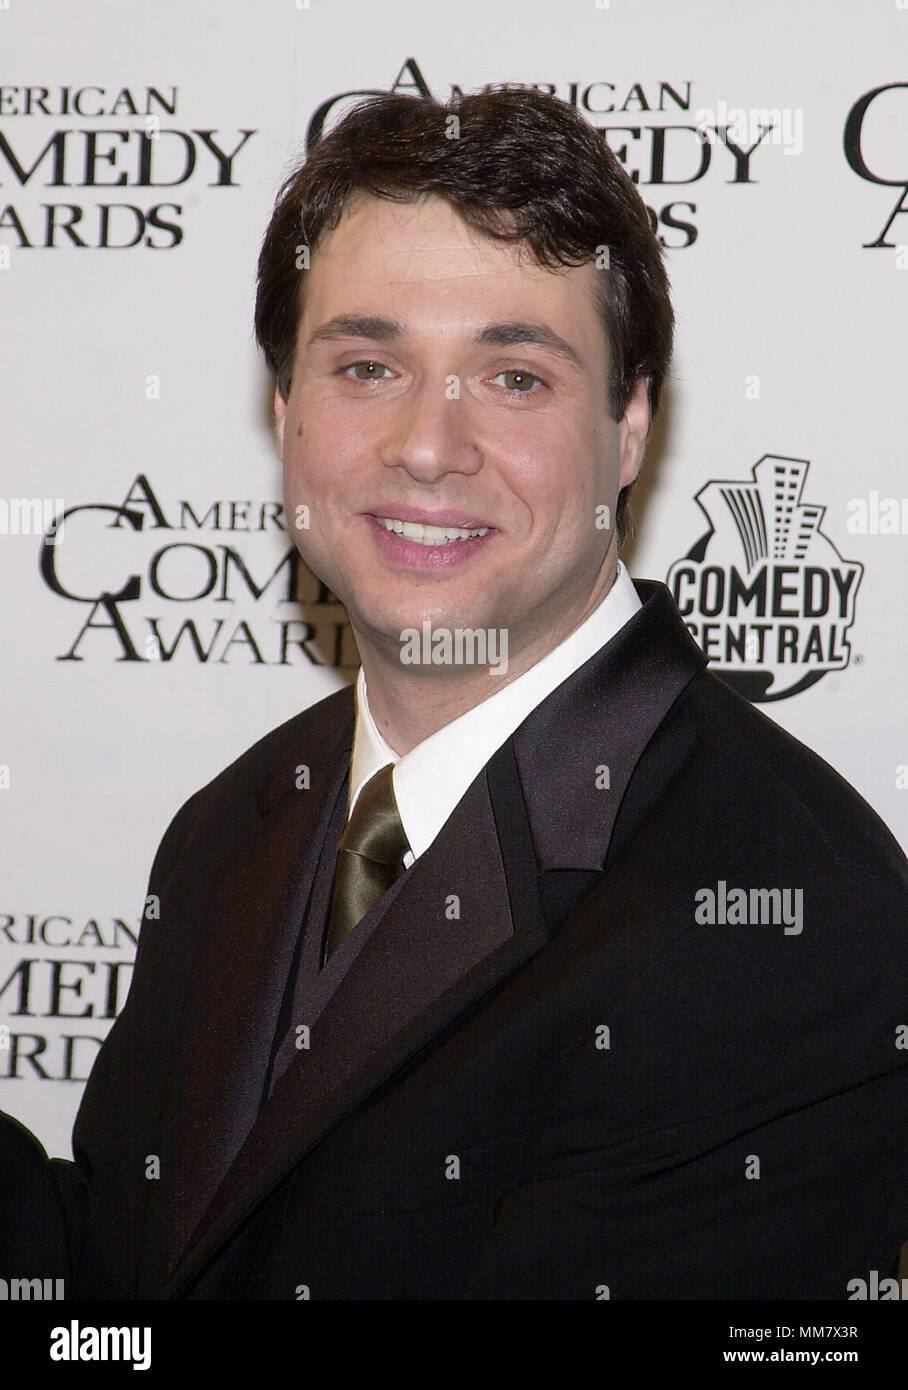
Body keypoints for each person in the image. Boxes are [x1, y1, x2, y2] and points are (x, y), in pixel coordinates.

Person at [4, 87, 907, 1300]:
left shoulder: (788, 918)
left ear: (629, 423)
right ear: (284, 410)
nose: (428, 445)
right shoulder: (236, 819)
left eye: (515, 377)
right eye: (368, 364)